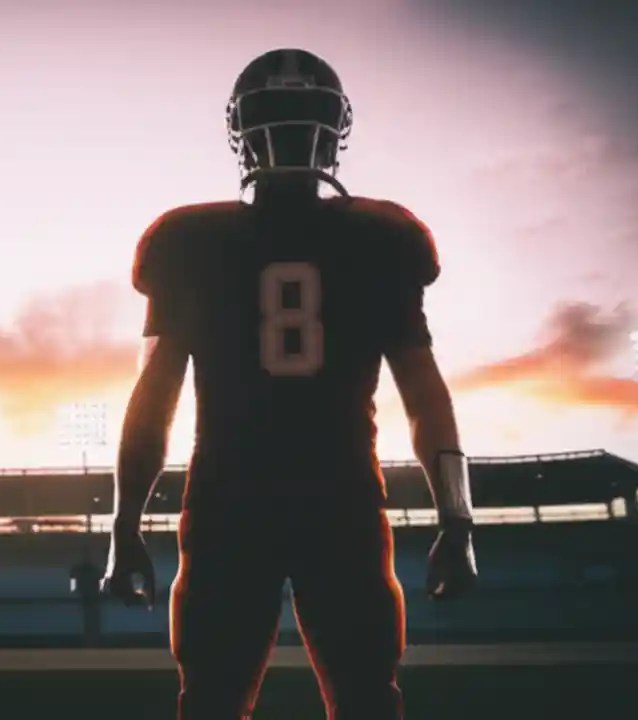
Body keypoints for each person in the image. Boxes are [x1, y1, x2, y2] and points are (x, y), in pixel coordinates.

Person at [102, 49, 478, 720]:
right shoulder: (380, 237)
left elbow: (152, 401)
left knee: (216, 701)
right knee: (364, 698)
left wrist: (125, 525)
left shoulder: (190, 240)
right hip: (340, 500)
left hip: (228, 502)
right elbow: (426, 398)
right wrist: (457, 518)